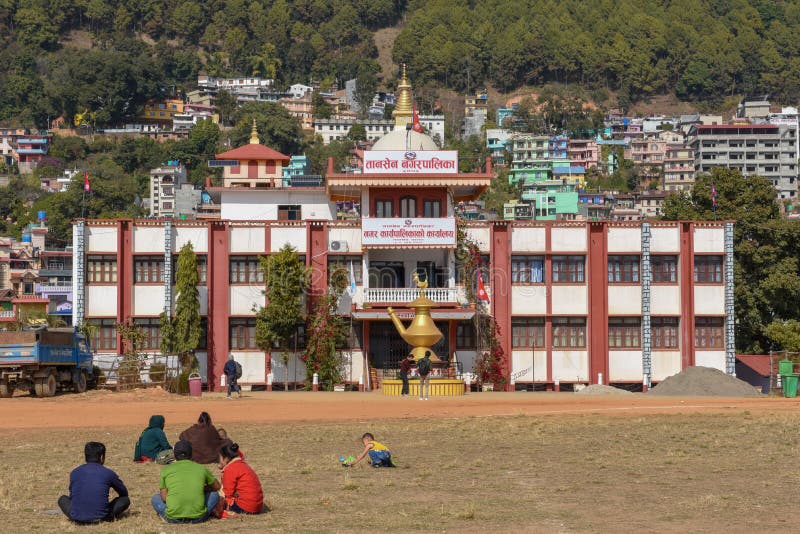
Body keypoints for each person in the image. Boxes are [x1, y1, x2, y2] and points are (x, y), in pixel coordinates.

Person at [58, 442, 130, 524]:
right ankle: (106, 517)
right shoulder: (108, 473)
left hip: (76, 517)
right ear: (102, 457)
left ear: (86, 456)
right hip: (102, 516)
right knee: (125, 500)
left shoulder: (75, 472)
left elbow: (72, 496)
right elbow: (123, 493)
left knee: (62, 499)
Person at [151, 440, 221, 524]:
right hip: (198, 518)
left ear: (174, 455)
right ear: (191, 454)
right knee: (215, 494)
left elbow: (164, 498)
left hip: (173, 518)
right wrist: (202, 488)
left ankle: (168, 515)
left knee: (155, 498)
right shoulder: (201, 468)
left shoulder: (166, 470)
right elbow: (217, 487)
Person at [217, 442, 264, 517]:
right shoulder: (242, 465)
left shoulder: (230, 469)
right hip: (257, 507)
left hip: (245, 507)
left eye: (219, 458)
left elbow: (227, 493)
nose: (218, 461)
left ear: (226, 459)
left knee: (214, 500)